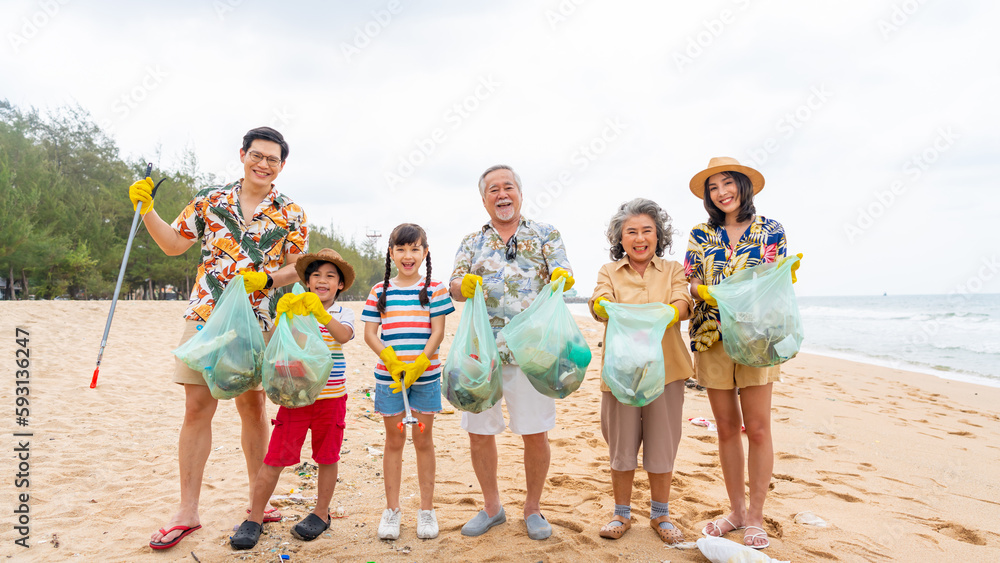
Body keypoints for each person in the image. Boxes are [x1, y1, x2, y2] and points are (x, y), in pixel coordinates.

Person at [129, 127, 308, 550]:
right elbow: (174, 245)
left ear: (282, 165)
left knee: (253, 405)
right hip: (206, 314)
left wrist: (267, 277)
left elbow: (298, 267)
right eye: (257, 156)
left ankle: (257, 501)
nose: (263, 164)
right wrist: (146, 210)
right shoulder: (209, 200)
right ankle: (187, 511)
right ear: (242, 154)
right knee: (196, 407)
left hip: (258, 316)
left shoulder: (291, 212)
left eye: (273, 159)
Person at [449, 164, 575, 541]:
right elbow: (453, 286)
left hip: (532, 351)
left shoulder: (544, 233)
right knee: (478, 431)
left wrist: (563, 277)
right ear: (483, 198)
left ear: (519, 192)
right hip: (480, 351)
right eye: (493, 190)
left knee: (535, 432)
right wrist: (461, 284)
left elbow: (564, 271)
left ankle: (533, 508)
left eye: (508, 188)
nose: (502, 195)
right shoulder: (472, 241)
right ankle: (492, 508)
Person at [684, 157, 800, 550]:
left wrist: (786, 273)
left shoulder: (770, 229)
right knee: (727, 428)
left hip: (757, 338)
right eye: (714, 187)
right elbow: (691, 283)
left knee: (759, 427)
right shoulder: (701, 234)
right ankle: (735, 511)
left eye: (728, 183)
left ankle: (755, 515)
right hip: (711, 335)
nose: (722, 192)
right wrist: (710, 293)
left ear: (743, 187)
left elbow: (773, 280)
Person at [230, 248, 356, 550]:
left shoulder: (342, 313)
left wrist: (321, 314)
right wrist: (284, 316)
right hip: (295, 398)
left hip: (331, 399)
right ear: (307, 281)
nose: (322, 281)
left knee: (327, 457)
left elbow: (342, 336)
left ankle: (321, 512)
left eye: (330, 276)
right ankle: (255, 517)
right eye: (316, 275)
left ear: (340, 285)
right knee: (274, 459)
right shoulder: (295, 310)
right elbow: (275, 343)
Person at [588, 198, 693, 544]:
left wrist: (667, 313)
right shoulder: (609, 272)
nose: (639, 237)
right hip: (622, 373)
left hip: (667, 372)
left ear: (658, 235)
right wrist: (602, 306)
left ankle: (660, 516)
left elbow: (684, 303)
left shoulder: (674, 269)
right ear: (619, 238)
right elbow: (599, 304)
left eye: (647, 230)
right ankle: (621, 513)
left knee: (663, 444)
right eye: (630, 231)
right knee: (621, 445)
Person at [361, 224, 454, 541]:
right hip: (389, 379)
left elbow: (438, 332)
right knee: (394, 442)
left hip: (425, 378)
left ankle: (426, 511)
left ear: (425, 253)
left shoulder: (436, 290)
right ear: (391, 253)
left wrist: (418, 364)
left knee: (424, 440)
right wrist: (390, 358)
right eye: (400, 249)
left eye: (415, 248)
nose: (407, 255)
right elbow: (370, 334)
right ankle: (392, 510)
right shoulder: (380, 291)